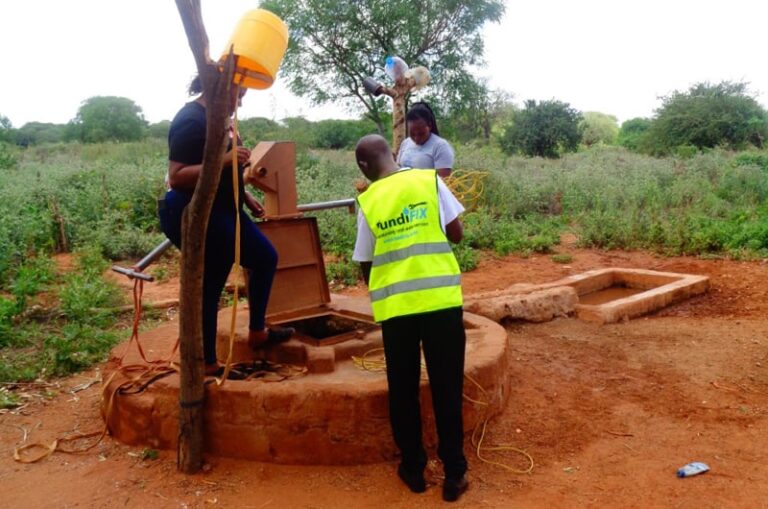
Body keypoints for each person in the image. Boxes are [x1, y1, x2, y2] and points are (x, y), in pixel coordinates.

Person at [353, 134, 469, 502]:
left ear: (363, 167)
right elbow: (457, 233)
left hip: (397, 310)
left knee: (402, 390)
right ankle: (454, 474)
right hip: (441, 302)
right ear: (392, 153)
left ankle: (414, 469)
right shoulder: (428, 180)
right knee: (447, 387)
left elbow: (365, 263)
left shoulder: (368, 200)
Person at [158, 76, 292, 377]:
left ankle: (253, 332)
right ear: (220, 89)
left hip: (224, 207)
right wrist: (225, 159)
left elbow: (226, 170)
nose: (241, 102)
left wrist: (244, 194)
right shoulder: (191, 120)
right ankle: (208, 361)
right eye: (238, 95)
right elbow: (177, 177)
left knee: (260, 259)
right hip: (195, 213)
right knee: (217, 279)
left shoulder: (222, 119)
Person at [397, 101, 455, 178]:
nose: (416, 138)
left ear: (429, 126)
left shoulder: (440, 146)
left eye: (421, 134)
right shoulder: (405, 143)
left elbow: (444, 181)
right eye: (412, 134)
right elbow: (398, 168)